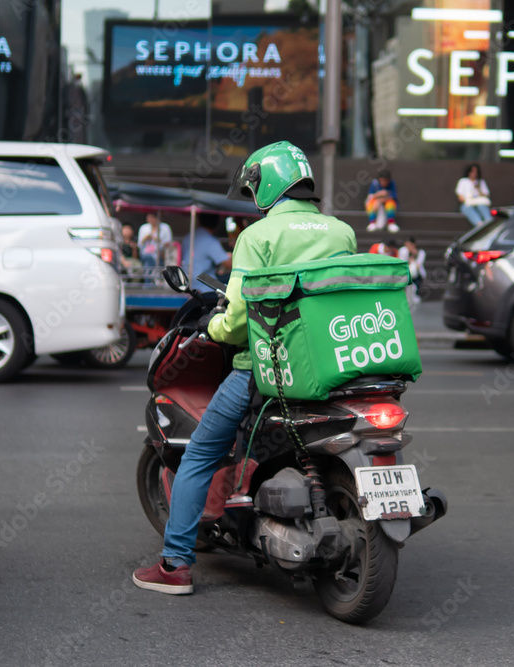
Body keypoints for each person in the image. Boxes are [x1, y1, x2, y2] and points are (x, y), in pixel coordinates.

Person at [132, 141, 357, 595]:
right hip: (332, 365)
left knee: (199, 455)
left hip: (265, 370)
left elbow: (237, 321)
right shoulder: (341, 232)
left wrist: (213, 328)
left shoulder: (257, 237)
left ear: (267, 185)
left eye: (253, 190)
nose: (254, 199)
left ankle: (175, 565)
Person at [180, 213, 232, 292]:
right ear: (217, 224)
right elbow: (228, 264)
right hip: (205, 287)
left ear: (199, 221)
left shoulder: (188, 236)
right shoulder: (210, 240)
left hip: (189, 282)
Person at [398, 237, 427, 305]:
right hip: (405, 273)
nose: (408, 247)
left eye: (410, 245)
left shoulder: (420, 252)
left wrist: (414, 257)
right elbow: (402, 262)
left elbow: (418, 265)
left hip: (416, 274)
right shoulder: (403, 251)